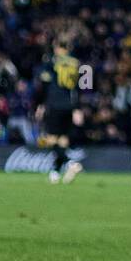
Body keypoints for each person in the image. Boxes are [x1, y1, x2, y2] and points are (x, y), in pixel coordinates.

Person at [35, 39, 83, 184]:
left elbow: (44, 84)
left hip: (54, 104)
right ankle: (55, 172)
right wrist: (77, 108)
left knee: (50, 139)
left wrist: (40, 104)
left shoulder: (51, 62)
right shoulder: (77, 63)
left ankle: (70, 163)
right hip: (69, 106)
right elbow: (81, 87)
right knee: (62, 140)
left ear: (57, 48)